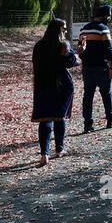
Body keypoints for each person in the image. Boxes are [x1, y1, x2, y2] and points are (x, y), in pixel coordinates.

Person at [32, 19, 79, 165]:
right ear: (59, 30)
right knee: (60, 117)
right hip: (61, 85)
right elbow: (71, 63)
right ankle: (59, 149)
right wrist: (79, 53)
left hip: (42, 84)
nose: (65, 31)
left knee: (45, 119)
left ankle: (44, 153)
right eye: (64, 29)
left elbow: (35, 64)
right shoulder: (63, 45)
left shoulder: (38, 46)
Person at [78, 4, 112, 132]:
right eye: (109, 16)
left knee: (88, 96)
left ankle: (87, 124)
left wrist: (84, 60)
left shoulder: (84, 29)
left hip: (87, 68)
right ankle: (110, 119)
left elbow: (80, 49)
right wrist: (111, 68)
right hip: (102, 67)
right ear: (104, 16)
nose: (109, 19)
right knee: (106, 94)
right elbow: (109, 50)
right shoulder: (103, 29)